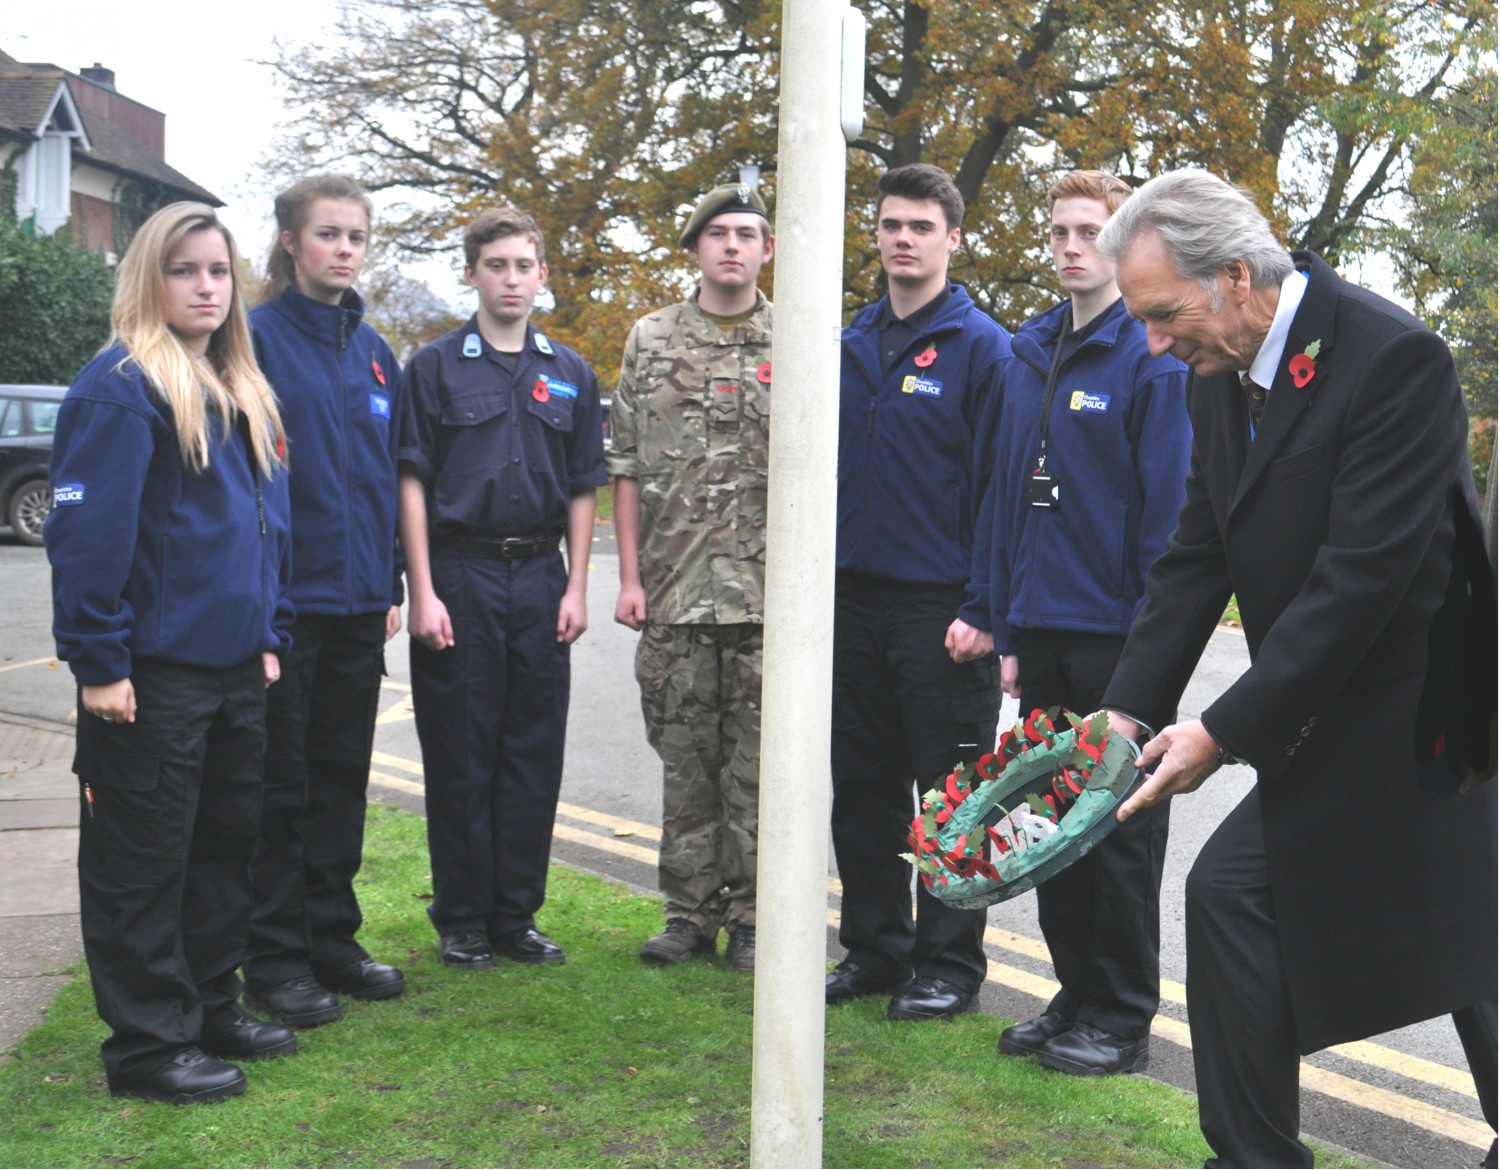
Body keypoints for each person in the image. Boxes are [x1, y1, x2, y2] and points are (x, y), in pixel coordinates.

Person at [1095, 169, 1497, 1166]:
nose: (1152, 341)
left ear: (1235, 277)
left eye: (1162, 314)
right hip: (1338, 701)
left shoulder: (1392, 358)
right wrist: (1126, 714)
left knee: (1456, 935)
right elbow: (1199, 554)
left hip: (1426, 706)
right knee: (1439, 927)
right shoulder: (1217, 377)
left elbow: (1358, 583)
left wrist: (1224, 732)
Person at [46, 202, 298, 1103]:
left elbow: (259, 531)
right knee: (141, 866)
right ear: (150, 279)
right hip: (148, 678)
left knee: (223, 853)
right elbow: (86, 541)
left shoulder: (236, 383)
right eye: (184, 270)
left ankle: (208, 1008)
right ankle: (150, 1049)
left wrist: (266, 636)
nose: (205, 286)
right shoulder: (119, 387)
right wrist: (100, 665)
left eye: (219, 271)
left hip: (233, 672)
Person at [987, 171, 1190, 1075]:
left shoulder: (1151, 358)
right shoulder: (1030, 354)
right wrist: (1005, 625)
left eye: (1090, 232)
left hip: (1119, 640)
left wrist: (1151, 653)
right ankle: (1073, 994)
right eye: (1061, 231)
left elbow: (1169, 523)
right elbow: (1005, 501)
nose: (1072, 246)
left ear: (1119, 246)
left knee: (1115, 832)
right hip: (1041, 629)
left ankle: (1121, 1016)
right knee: (1053, 825)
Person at [398, 206, 606, 970]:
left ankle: (516, 917)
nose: (511, 279)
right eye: (496, 266)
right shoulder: (435, 367)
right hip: (461, 572)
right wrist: (422, 589)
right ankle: (461, 919)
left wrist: (578, 584)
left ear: (542, 274)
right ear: (472, 273)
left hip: (541, 577)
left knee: (531, 752)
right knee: (460, 750)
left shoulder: (570, 371)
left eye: (524, 265)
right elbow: (411, 479)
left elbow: (586, 486)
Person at [826, 163, 1010, 1022]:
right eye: (893, 224)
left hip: (942, 611)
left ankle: (948, 965)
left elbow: (1000, 490)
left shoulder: (985, 350)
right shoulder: (852, 343)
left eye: (922, 227)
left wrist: (983, 607)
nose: (905, 238)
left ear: (953, 239)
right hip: (851, 602)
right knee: (861, 787)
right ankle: (874, 951)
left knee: (950, 795)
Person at [241, 175, 407, 1029]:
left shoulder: (375, 351)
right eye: (328, 235)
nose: (344, 250)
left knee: (342, 779)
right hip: (286, 609)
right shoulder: (254, 341)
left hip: (357, 606)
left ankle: (331, 940)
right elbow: (248, 482)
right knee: (281, 786)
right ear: (290, 244)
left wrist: (389, 582)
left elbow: (381, 479)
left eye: (356, 237)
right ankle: (273, 961)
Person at [609, 183, 774, 973]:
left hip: (770, 598)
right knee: (685, 764)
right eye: (718, 234)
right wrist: (631, 578)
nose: (732, 246)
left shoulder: (797, 338)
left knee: (758, 769)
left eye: (747, 233)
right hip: (674, 592)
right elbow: (628, 466)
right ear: (696, 249)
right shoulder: (651, 338)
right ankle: (687, 914)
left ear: (768, 249)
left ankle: (751, 917)